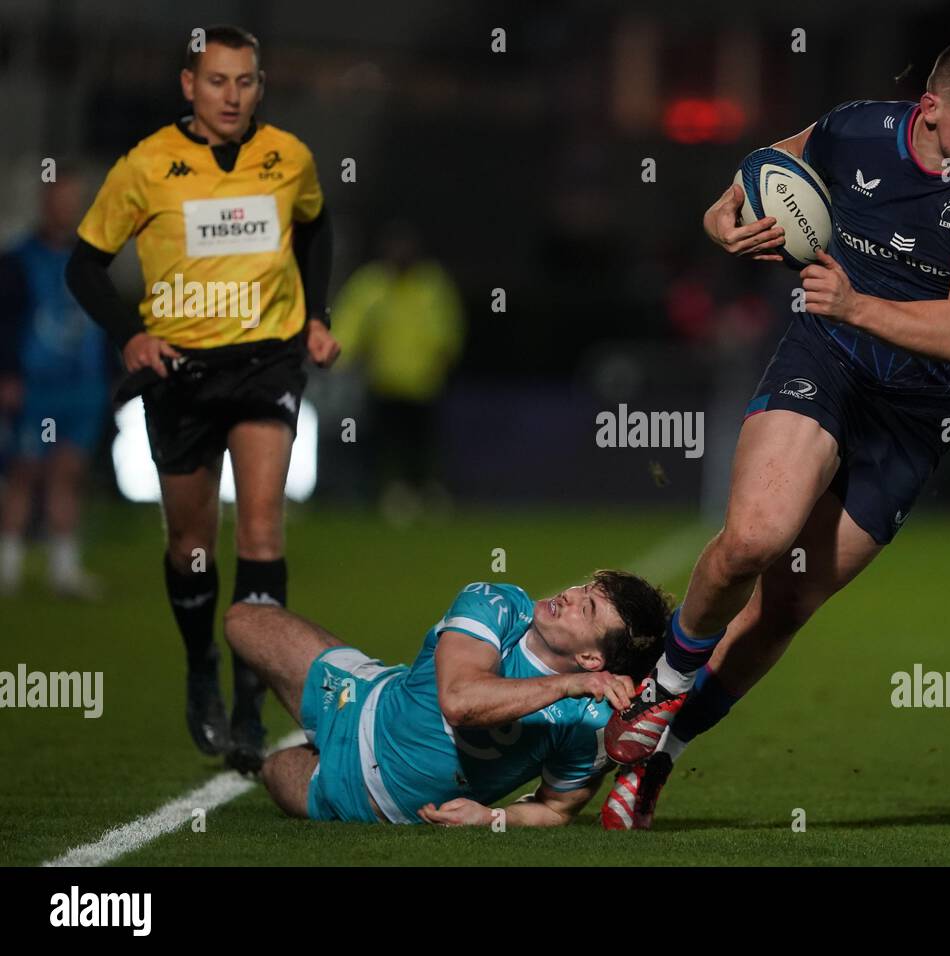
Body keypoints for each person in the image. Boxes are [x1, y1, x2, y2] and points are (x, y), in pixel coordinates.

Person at [600, 38, 950, 829]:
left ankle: (659, 756)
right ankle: (658, 697)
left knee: (788, 604)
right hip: (828, 359)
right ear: (930, 111)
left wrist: (853, 301)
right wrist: (721, 211)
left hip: (912, 414)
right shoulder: (856, 129)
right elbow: (767, 160)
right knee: (753, 540)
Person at [65, 24, 339, 772]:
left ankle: (252, 703)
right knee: (190, 547)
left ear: (260, 85)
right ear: (189, 85)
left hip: (266, 364)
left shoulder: (289, 157)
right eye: (217, 81)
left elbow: (316, 230)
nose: (233, 95)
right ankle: (200, 670)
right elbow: (85, 266)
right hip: (181, 372)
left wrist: (318, 317)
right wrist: (131, 335)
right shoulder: (147, 165)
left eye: (246, 81)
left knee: (260, 531)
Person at [224, 572, 672, 825]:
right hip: (362, 697)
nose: (570, 596)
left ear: (592, 657)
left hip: (363, 795)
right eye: (584, 589)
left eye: (587, 609)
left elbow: (555, 808)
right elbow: (459, 700)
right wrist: (567, 685)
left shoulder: (591, 721)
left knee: (274, 768)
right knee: (243, 621)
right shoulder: (496, 603)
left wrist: (493, 819)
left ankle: (293, 750)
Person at [0, 172, 110, 599]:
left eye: (72, 199)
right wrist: (7, 374)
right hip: (35, 387)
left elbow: (106, 320)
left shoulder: (93, 260)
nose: (65, 207)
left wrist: (113, 378)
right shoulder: (17, 261)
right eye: (58, 198)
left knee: (69, 472)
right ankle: (8, 565)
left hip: (82, 389)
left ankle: (63, 567)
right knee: (25, 471)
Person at [330, 220, 465, 520]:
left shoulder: (431, 284)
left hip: (424, 384)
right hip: (384, 382)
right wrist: (339, 356)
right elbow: (350, 323)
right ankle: (394, 495)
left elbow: (448, 326)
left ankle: (427, 493)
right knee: (386, 443)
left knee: (422, 443)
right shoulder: (371, 285)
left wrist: (444, 356)